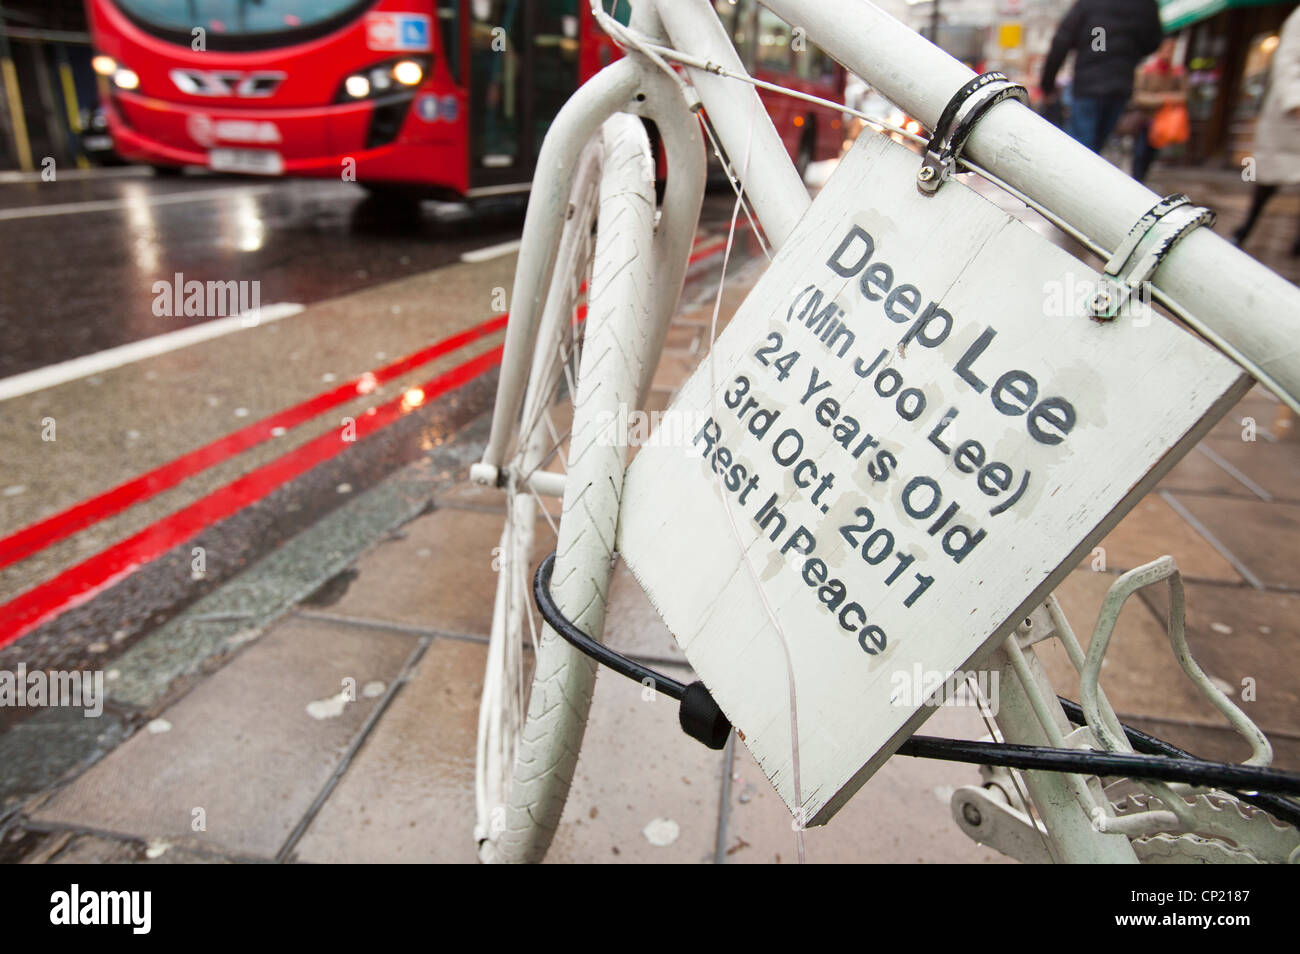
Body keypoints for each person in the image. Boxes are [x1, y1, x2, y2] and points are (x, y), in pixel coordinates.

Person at [1041, 0, 1165, 154]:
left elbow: (1061, 41)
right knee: (1095, 146)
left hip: (1088, 85)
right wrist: (1130, 52)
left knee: (1079, 147)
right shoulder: (1144, 4)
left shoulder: (1089, 4)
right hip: (1120, 84)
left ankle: (1077, 174)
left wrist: (1047, 85)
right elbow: (1154, 40)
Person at [1231, 7, 1300, 254]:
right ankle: (1244, 229)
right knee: (1267, 181)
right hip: (1289, 117)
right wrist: (1295, 101)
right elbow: (1287, 61)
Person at [1129, 38, 1190, 183]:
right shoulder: (1146, 70)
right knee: (1140, 153)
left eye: (1172, 51)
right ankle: (1136, 181)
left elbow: (1184, 95)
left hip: (1163, 122)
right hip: (1145, 120)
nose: (1168, 54)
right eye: (1166, 50)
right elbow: (1137, 96)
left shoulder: (1177, 73)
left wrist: (1168, 97)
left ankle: (1141, 181)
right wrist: (1162, 99)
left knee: (1151, 154)